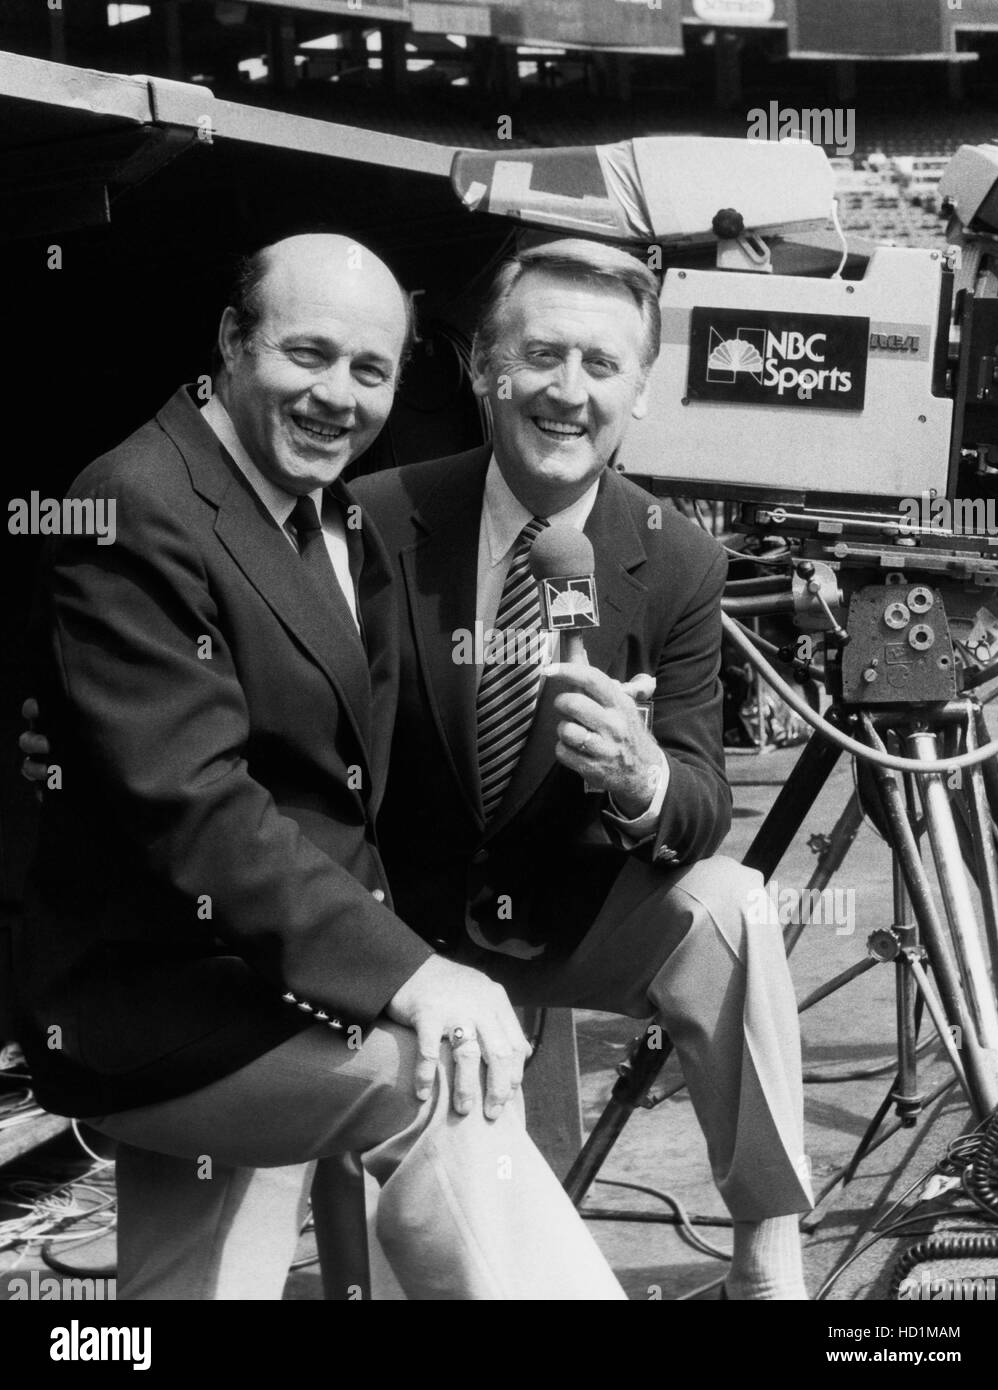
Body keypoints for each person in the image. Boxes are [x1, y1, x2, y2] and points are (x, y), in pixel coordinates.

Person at [12, 233, 625, 1301]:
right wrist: (412, 974)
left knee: (190, 1289)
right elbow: (199, 809)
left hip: (269, 968)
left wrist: (605, 749)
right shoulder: (137, 503)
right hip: (167, 997)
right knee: (442, 1086)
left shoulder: (328, 508)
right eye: (307, 354)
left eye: (370, 369)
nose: (336, 395)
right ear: (231, 343)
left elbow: (346, 760)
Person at [350, 239, 814, 1300]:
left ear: (640, 391)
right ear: (482, 369)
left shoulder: (679, 555)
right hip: (408, 932)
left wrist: (642, 776)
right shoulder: (374, 519)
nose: (569, 392)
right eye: (542, 356)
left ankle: (768, 1245)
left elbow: (697, 795)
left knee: (733, 906)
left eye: (602, 366)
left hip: (573, 910)